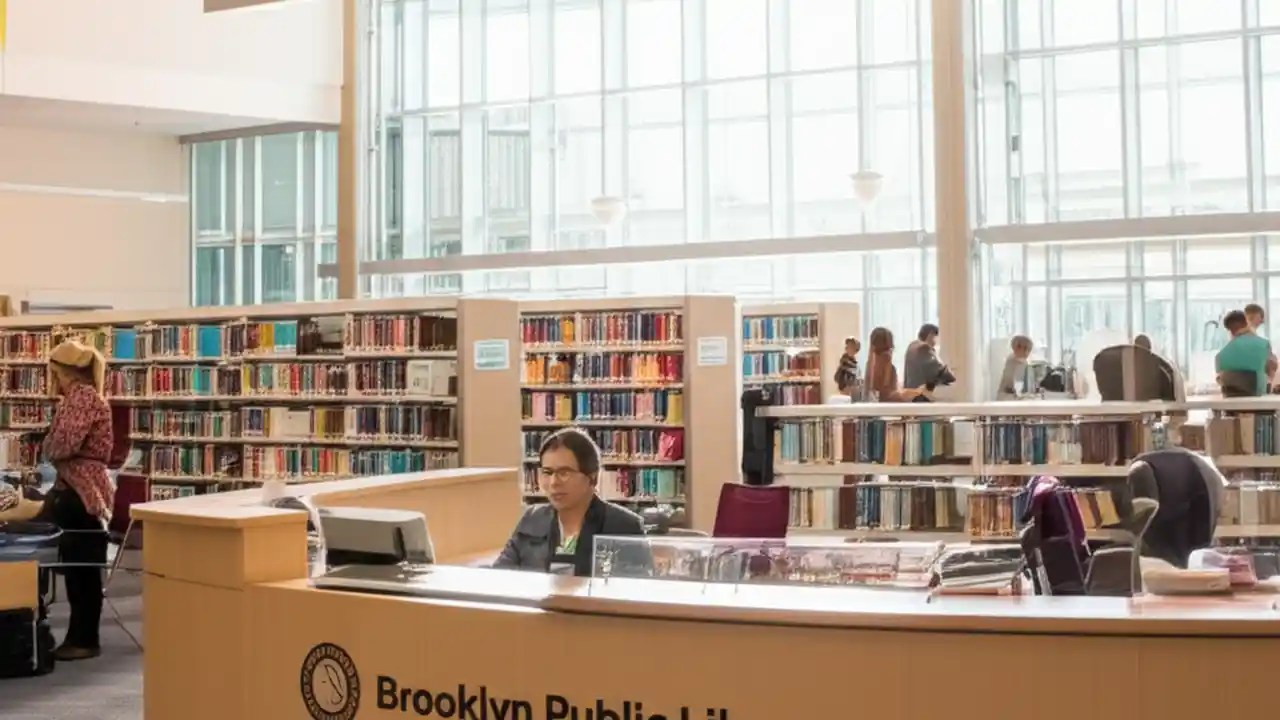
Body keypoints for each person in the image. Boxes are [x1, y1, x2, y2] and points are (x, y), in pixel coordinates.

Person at [40, 340, 114, 660]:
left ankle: (83, 640)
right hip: (85, 489)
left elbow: (61, 445)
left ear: (64, 372)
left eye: (54, 372)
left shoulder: (80, 397)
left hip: (80, 492)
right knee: (81, 571)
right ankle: (80, 638)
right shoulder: (86, 396)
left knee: (81, 572)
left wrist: (48, 446)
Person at [494, 428, 645, 577]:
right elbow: (500, 577)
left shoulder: (624, 526)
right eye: (547, 472)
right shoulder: (532, 519)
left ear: (592, 478)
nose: (554, 482)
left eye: (564, 473)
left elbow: (636, 592)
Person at [1217, 310, 1272, 396]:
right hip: (1259, 400)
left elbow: (1219, 378)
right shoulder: (1264, 344)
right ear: (1246, 322)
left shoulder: (1222, 353)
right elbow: (1271, 370)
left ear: (1229, 330)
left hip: (1231, 402)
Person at [865, 328, 924, 402]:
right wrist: (917, 392)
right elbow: (889, 395)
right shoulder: (886, 364)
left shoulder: (870, 364)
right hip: (888, 410)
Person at [903, 323, 956, 391]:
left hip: (910, 392)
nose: (937, 341)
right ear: (931, 335)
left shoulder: (912, 346)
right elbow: (944, 373)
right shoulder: (924, 348)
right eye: (936, 336)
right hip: (920, 395)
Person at [996, 335, 1034, 400]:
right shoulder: (1012, 360)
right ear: (1015, 348)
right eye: (1024, 348)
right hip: (1007, 397)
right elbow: (1015, 382)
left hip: (1014, 396)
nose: (1026, 352)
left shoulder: (1024, 362)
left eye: (1029, 350)